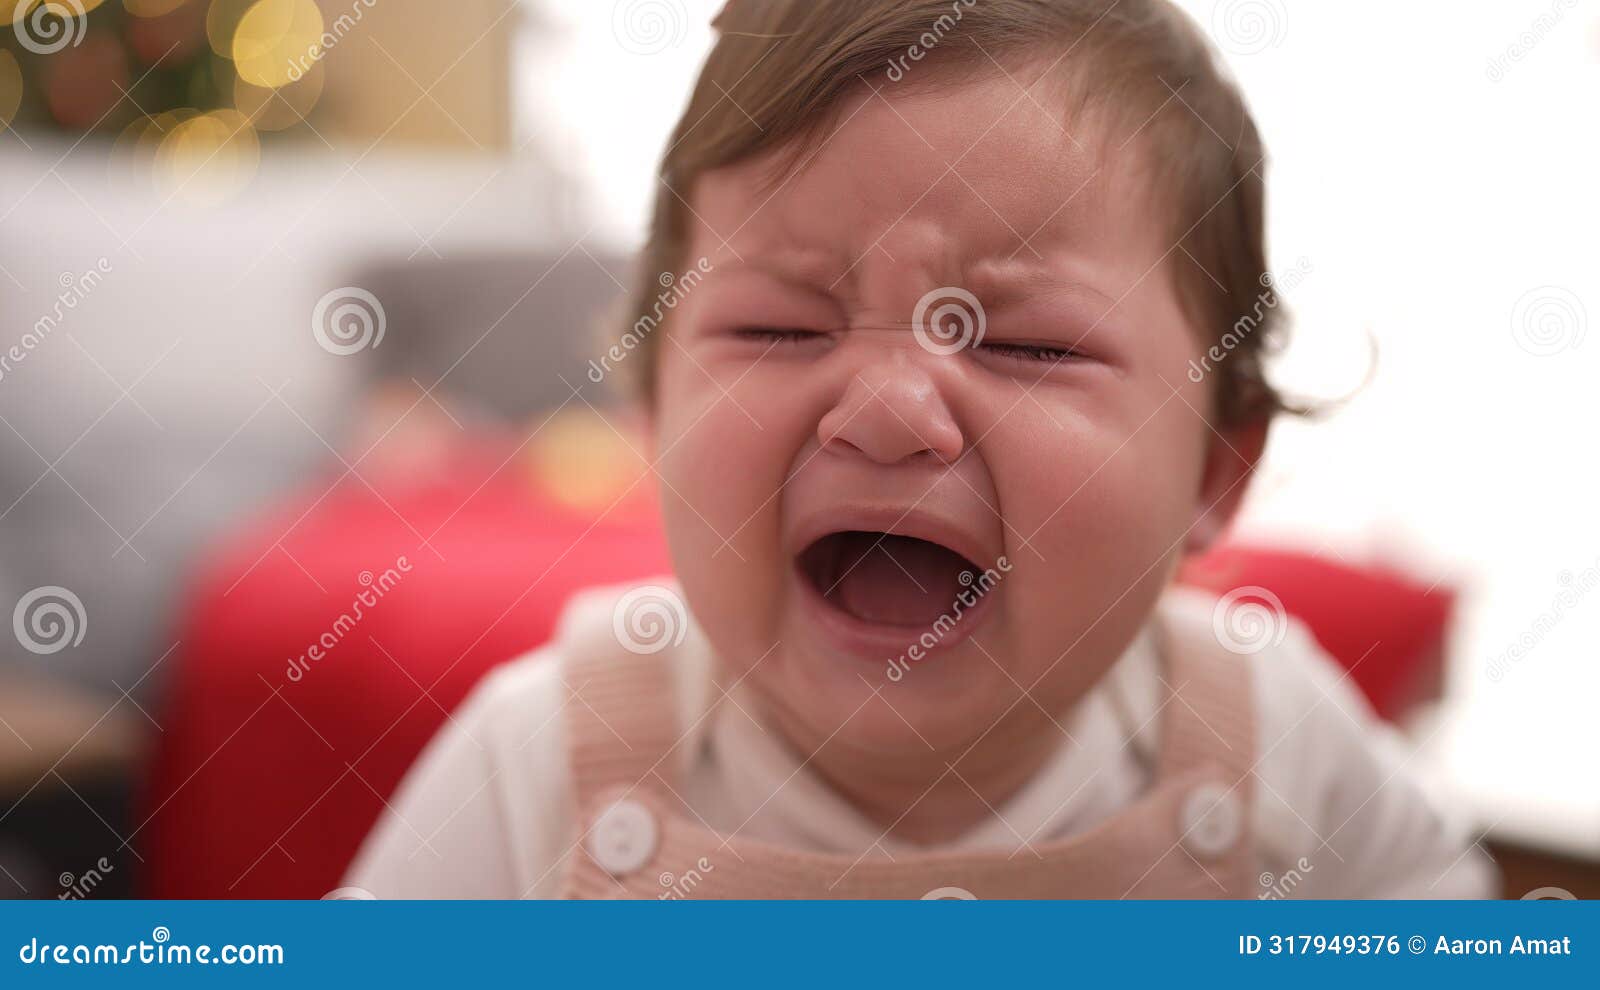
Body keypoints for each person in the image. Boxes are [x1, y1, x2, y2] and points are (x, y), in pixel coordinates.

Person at [346, 0, 1493, 899]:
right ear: (652, 413)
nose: (888, 412)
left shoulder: (1266, 740)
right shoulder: (547, 760)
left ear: (1211, 471)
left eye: (1031, 345)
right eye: (777, 327)